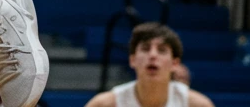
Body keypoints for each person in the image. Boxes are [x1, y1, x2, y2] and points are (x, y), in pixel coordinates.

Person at [83, 23, 215, 107]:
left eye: (162, 50)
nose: (153, 55)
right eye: (145, 49)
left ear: (175, 63)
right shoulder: (105, 104)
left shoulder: (197, 104)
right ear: (132, 60)